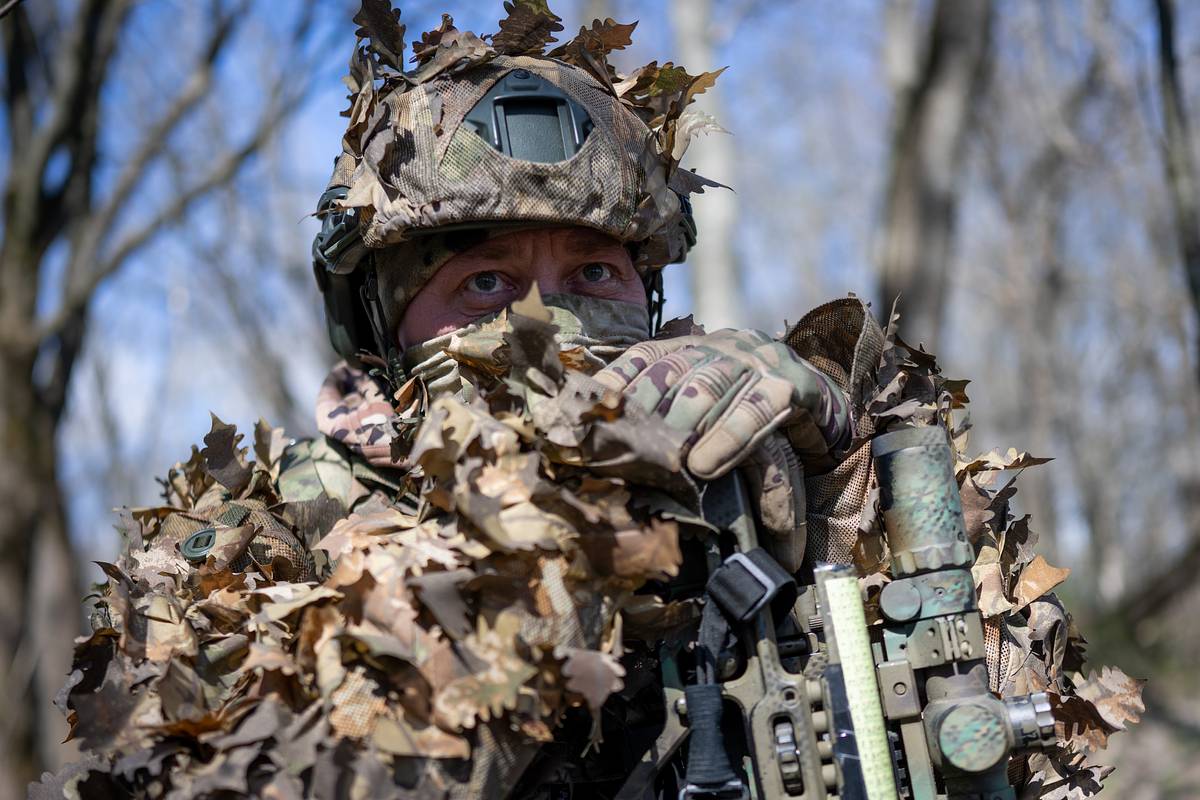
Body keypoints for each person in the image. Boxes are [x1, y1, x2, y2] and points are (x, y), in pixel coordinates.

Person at [42, 4, 1118, 799]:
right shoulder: (246, 548)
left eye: (594, 273)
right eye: (485, 283)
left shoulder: (760, 449)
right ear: (382, 329)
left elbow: (1032, 756)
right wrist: (575, 514)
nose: (548, 322)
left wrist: (846, 489)